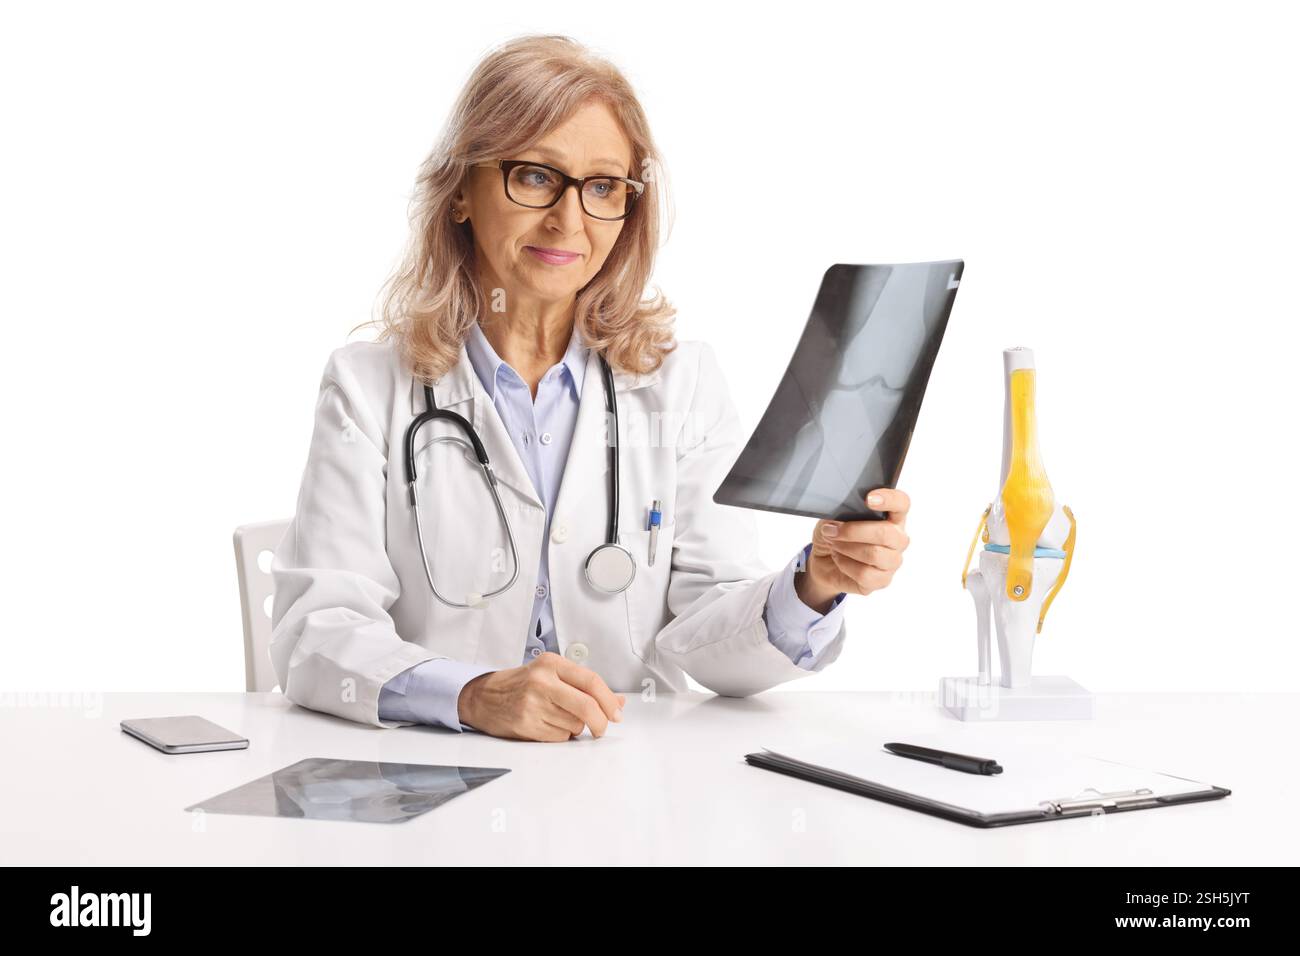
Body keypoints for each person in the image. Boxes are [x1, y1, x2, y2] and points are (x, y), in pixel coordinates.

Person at [270, 35, 911, 742]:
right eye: (536, 176)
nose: (569, 220)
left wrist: (816, 581)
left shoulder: (681, 383)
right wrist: (474, 694)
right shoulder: (367, 389)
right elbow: (318, 633)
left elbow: (706, 633)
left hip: (630, 785)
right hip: (439, 778)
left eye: (603, 186)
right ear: (460, 191)